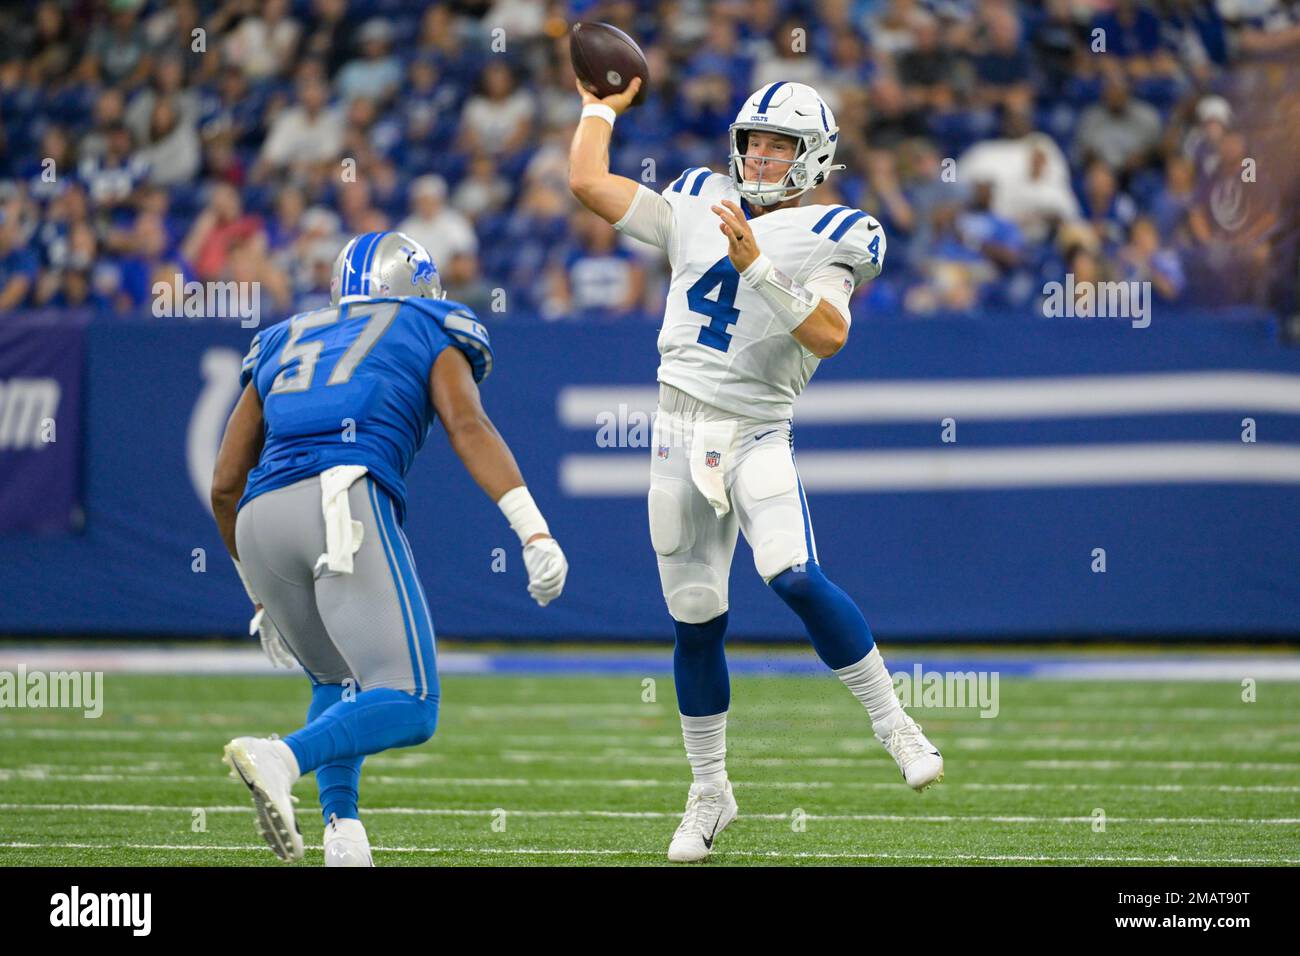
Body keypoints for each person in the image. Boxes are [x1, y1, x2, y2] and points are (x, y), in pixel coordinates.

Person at [569, 78, 942, 863]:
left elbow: (831, 334)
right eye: (754, 141)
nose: (761, 156)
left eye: (779, 144)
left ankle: (893, 721)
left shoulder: (841, 229)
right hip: (676, 429)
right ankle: (709, 791)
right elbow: (588, 184)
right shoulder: (698, 193)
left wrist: (758, 266)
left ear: (814, 157)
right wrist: (599, 108)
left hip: (756, 432)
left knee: (793, 573)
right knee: (696, 620)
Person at [209, 231, 569, 865]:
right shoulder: (429, 321)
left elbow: (223, 484)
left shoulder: (283, 337)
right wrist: (532, 529)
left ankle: (343, 836)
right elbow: (467, 424)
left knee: (337, 677)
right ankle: (281, 755)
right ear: (417, 287)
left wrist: (257, 590)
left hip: (260, 519)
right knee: (411, 700)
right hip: (341, 501)